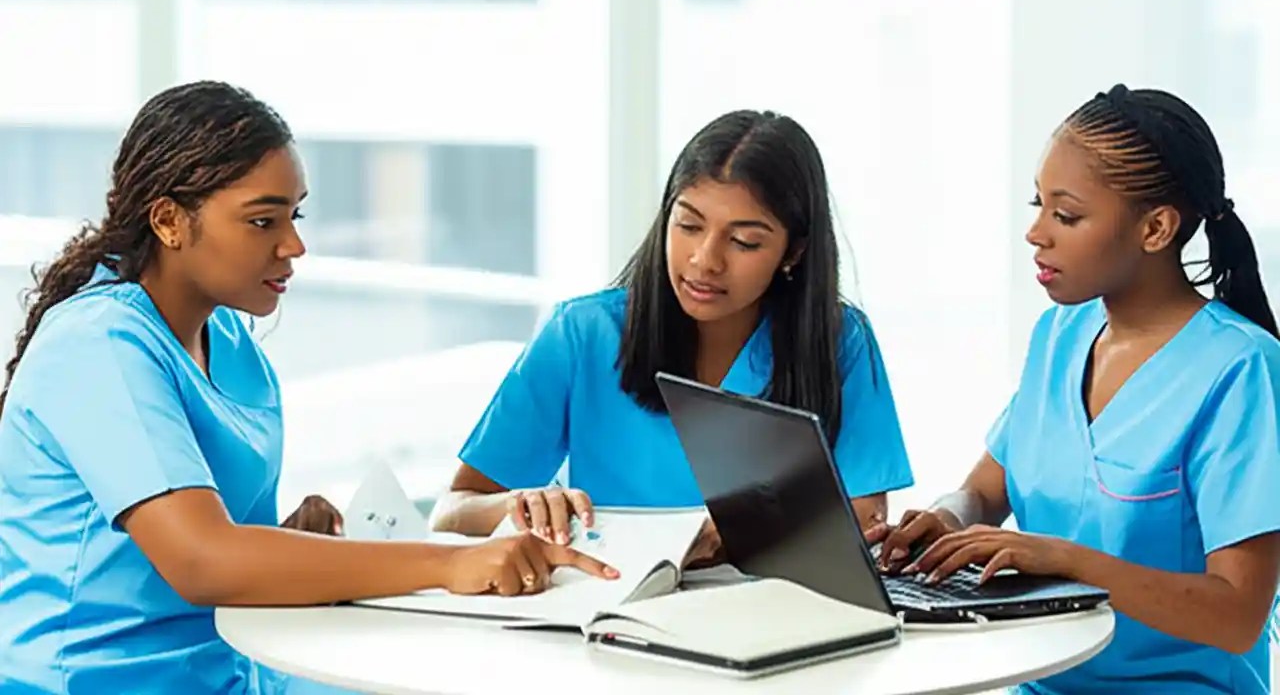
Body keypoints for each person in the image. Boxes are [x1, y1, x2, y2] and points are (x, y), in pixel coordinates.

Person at [0, 81, 613, 695]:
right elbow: (201, 560)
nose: (293, 245)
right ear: (168, 221)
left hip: (227, 666)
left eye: (294, 216)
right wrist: (451, 564)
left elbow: (217, 538)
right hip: (95, 680)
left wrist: (288, 539)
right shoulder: (99, 342)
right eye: (262, 220)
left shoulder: (229, 341)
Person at [865, 84, 1280, 693]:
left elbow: (1238, 614)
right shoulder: (1061, 334)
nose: (1036, 233)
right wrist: (948, 520)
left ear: (1157, 228)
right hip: (1037, 681)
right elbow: (988, 489)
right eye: (1038, 205)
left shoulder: (1241, 369)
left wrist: (1065, 560)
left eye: (1066, 215)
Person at [431, 109, 914, 558]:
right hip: (606, 614)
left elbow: (866, 517)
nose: (705, 260)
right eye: (687, 224)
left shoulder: (838, 339)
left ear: (793, 252)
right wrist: (519, 505)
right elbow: (452, 512)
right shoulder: (581, 333)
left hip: (772, 613)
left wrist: (738, 532)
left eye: (745, 241)